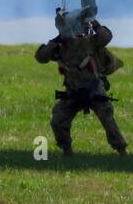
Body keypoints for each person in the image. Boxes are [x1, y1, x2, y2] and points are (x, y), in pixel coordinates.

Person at [36, 11, 127, 156]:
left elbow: (106, 36)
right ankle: (67, 150)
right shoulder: (59, 47)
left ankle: (121, 150)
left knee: (107, 119)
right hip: (73, 92)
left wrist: (94, 22)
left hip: (94, 89)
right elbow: (41, 57)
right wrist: (55, 41)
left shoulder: (88, 42)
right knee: (58, 121)